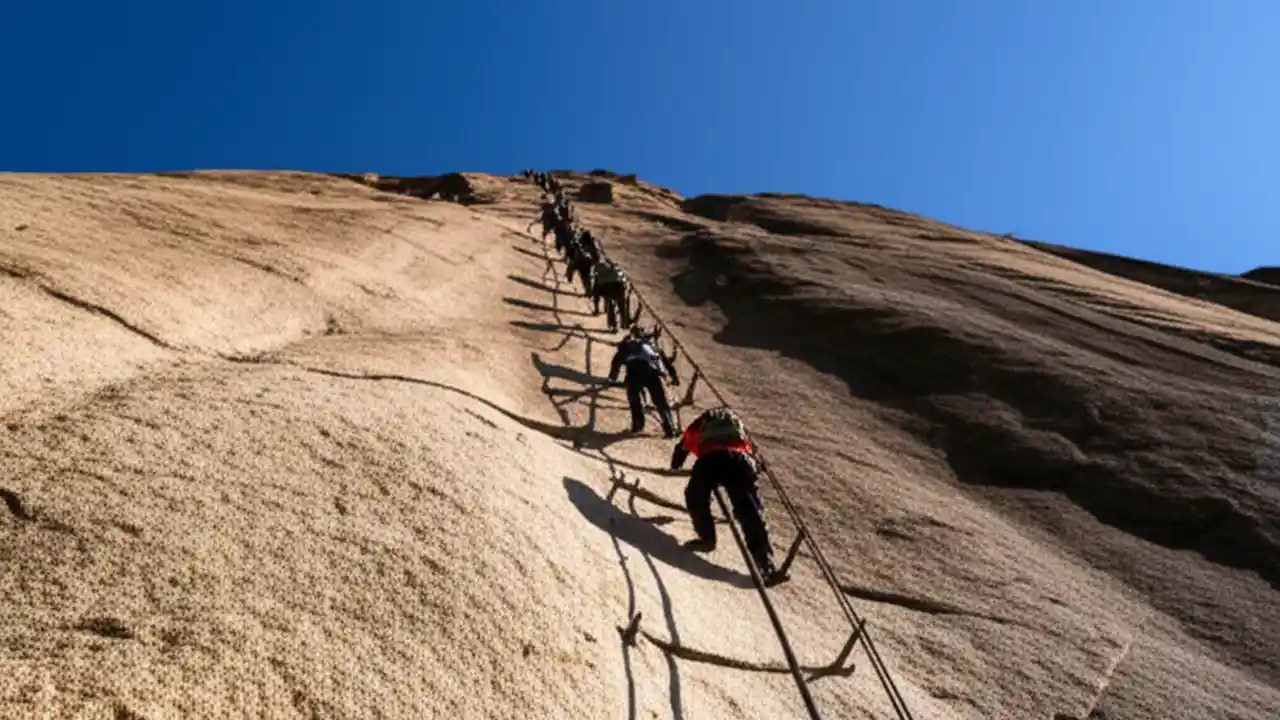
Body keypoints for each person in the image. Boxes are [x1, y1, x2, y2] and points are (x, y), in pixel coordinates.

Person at [670, 407, 785, 586]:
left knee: (696, 495)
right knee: (749, 510)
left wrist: (676, 463)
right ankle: (765, 564)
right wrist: (757, 467)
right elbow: (752, 449)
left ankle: (707, 537)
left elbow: (685, 442)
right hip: (740, 460)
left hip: (711, 458)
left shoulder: (704, 419)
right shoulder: (738, 423)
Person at [609, 326, 678, 437]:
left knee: (634, 399)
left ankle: (638, 426)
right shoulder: (652, 346)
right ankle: (669, 427)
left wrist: (612, 378)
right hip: (652, 372)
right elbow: (666, 363)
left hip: (634, 374)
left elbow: (617, 360)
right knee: (660, 401)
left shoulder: (627, 345)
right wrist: (674, 377)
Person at [590, 258, 630, 331]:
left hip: (607, 286)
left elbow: (594, 279)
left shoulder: (597, 266)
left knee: (611, 304)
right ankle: (624, 324)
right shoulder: (617, 268)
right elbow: (623, 277)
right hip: (618, 285)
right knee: (621, 305)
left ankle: (613, 325)